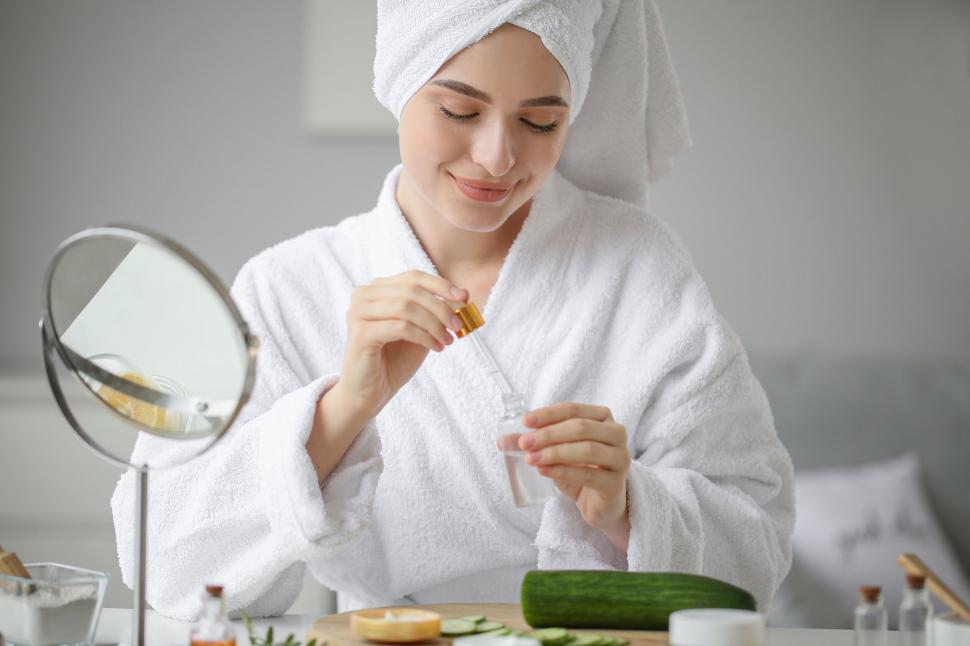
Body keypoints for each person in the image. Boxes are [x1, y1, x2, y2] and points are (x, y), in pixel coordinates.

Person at [111, 0, 794, 620]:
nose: (498, 157)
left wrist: (628, 507)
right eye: (459, 111)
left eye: (540, 120)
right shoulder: (287, 289)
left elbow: (758, 540)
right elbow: (165, 561)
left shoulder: (640, 269)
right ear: (400, 85)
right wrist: (343, 409)